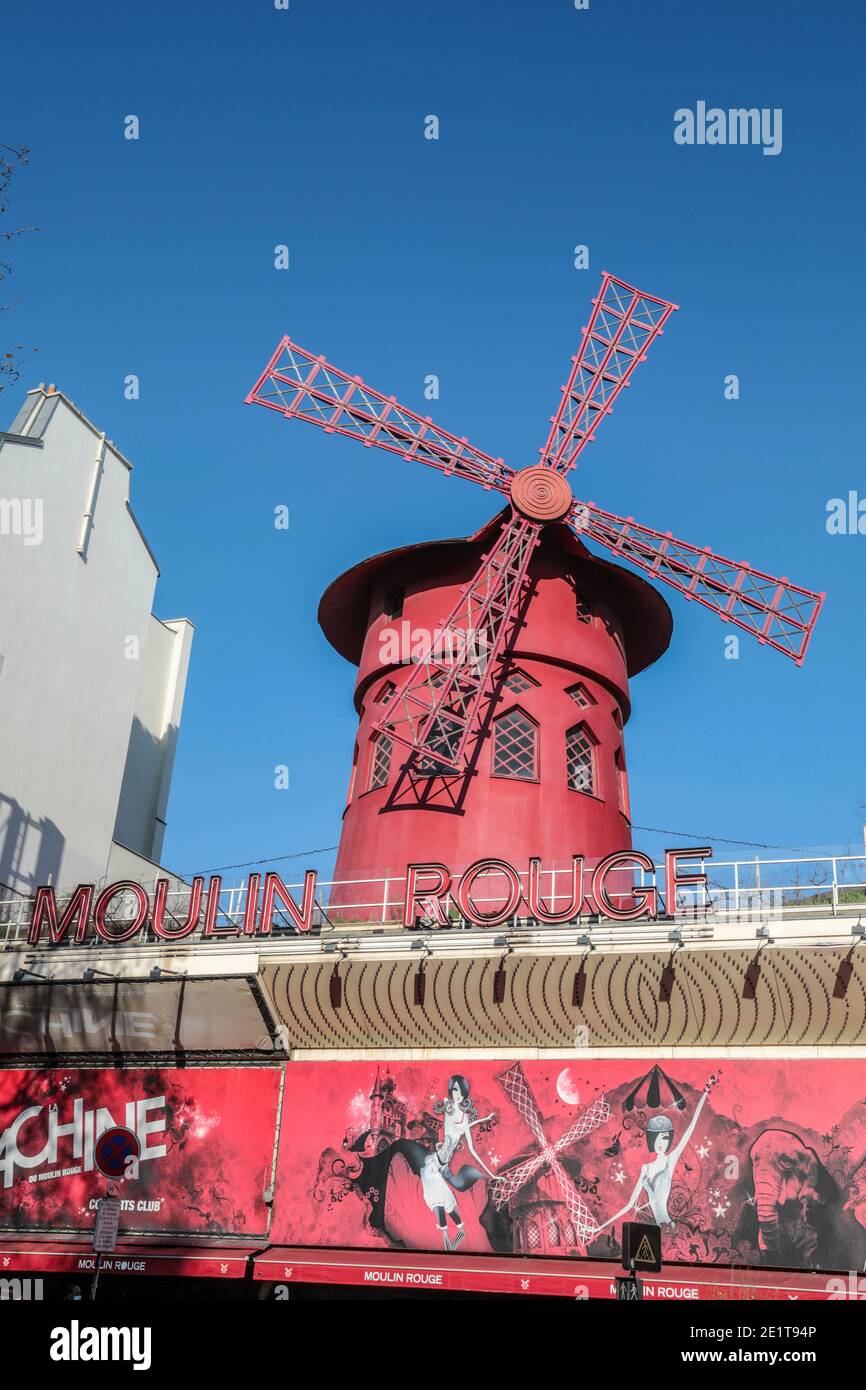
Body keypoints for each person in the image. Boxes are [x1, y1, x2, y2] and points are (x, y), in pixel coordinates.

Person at [598, 1075, 717, 1232]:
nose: (662, 1142)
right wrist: (599, 1228)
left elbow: (690, 1129)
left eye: (665, 1138)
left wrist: (705, 1093)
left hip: (670, 1228)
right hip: (656, 1231)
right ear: (652, 1139)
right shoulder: (645, 1168)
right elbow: (629, 1205)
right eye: (658, 1137)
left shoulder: (670, 1161)